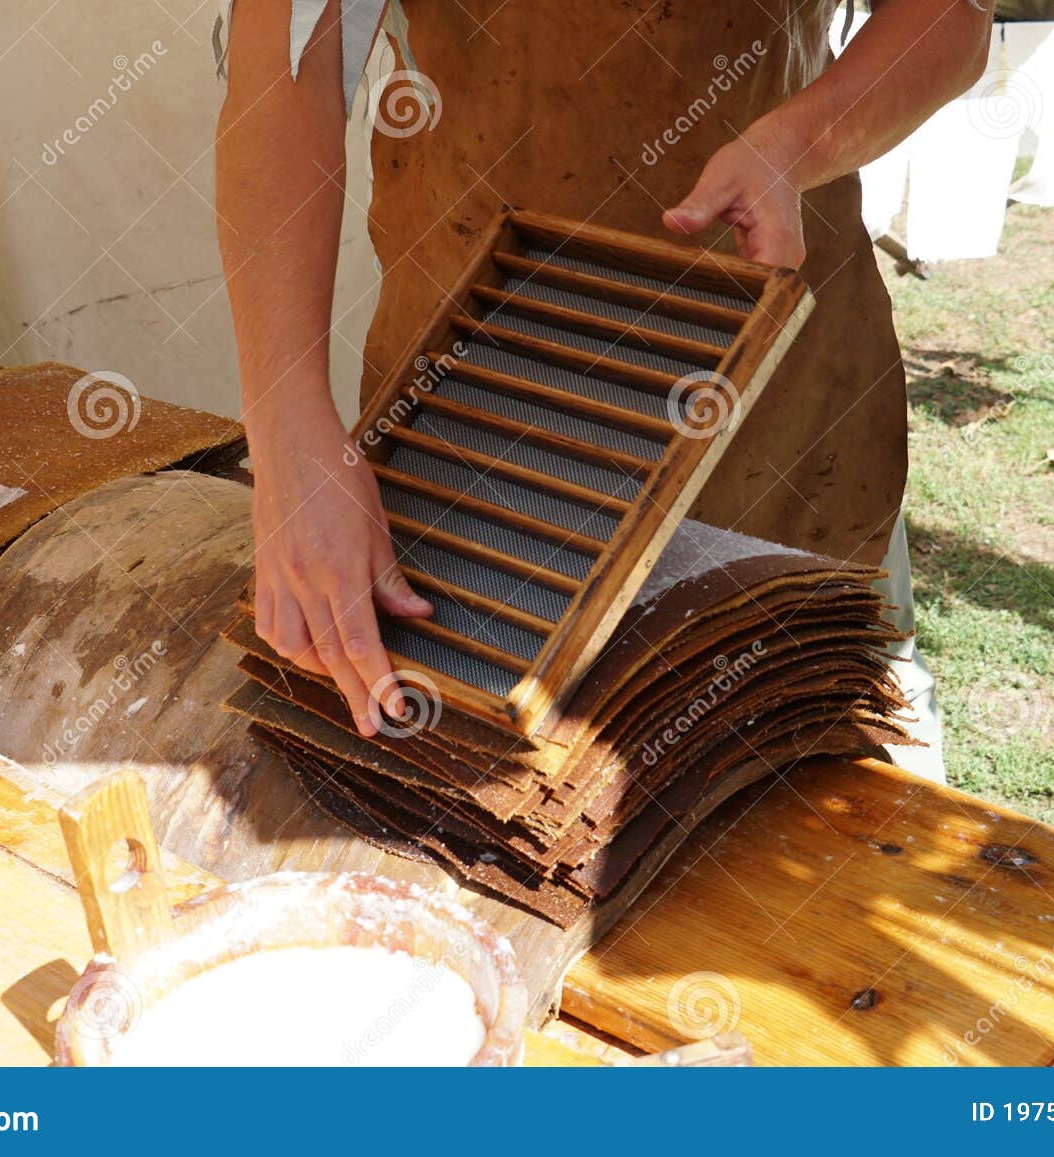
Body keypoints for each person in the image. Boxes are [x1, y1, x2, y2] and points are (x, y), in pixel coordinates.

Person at [214, 0, 993, 780]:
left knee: (802, 774)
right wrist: (287, 432)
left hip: (770, 360)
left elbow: (949, 19)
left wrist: (797, 143)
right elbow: (285, 69)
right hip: (470, 374)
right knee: (469, 774)